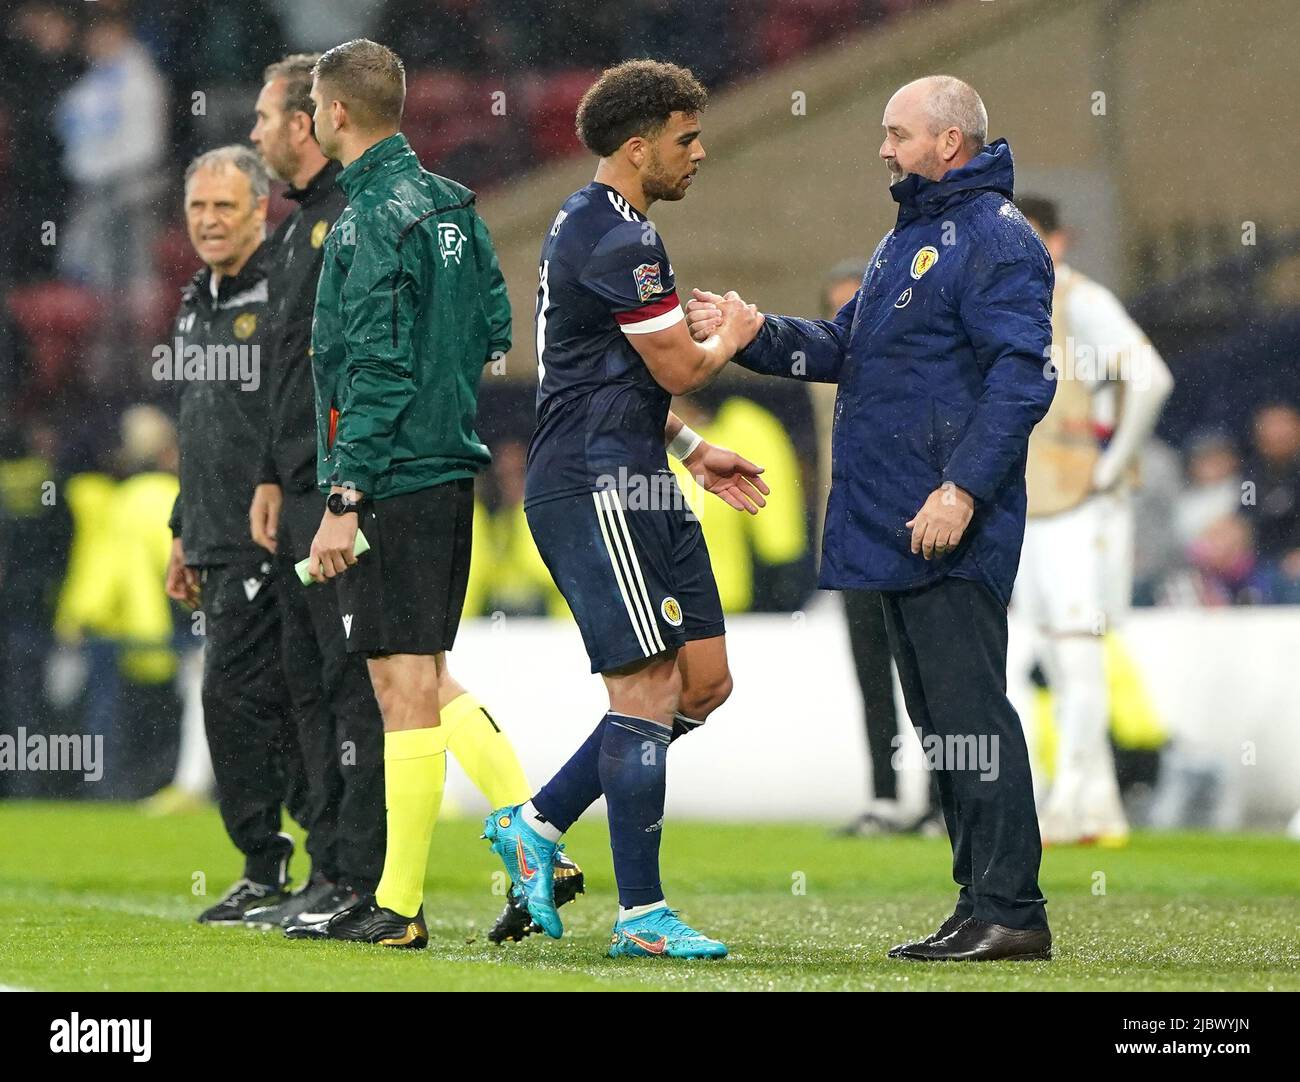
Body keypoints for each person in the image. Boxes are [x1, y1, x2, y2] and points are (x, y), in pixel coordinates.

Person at [689, 76, 1056, 962]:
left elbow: (1023, 378)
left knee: (971, 716)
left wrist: (962, 488)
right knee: (941, 722)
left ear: (948, 143)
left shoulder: (998, 242)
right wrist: (756, 332)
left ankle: (1012, 909)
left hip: (947, 519)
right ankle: (981, 906)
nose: (884, 151)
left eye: (897, 135)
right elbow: (847, 348)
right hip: (897, 520)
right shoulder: (914, 237)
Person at [246, 51, 575, 943]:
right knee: (424, 672)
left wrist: (343, 496)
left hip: (389, 476)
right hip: (446, 464)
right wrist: (440, 398)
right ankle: (531, 832)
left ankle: (397, 907)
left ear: (339, 113)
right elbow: (494, 329)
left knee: (398, 685)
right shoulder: (456, 208)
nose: (309, 121)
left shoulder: (363, 224)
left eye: (313, 107)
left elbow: (378, 369)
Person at [481, 59, 767, 961]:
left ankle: (537, 821)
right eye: (687, 139)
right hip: (595, 485)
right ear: (638, 145)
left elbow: (620, 378)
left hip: (644, 472)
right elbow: (681, 365)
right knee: (643, 691)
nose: (700, 152)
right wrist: (736, 335)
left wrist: (692, 448)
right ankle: (642, 916)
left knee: (704, 683)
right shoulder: (617, 239)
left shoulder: (612, 226)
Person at [162, 146, 307, 923]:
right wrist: (182, 530)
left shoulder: (283, 287)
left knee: (273, 699)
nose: (210, 222)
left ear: (260, 208)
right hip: (216, 534)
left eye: (225, 207)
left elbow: (285, 414)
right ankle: (270, 864)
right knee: (239, 702)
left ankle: (309, 863)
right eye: (198, 210)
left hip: (278, 531)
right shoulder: (198, 297)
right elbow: (202, 422)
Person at [1012, 195, 1175, 846]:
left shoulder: (1081, 299)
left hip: (1080, 500)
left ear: (1058, 241)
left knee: (1077, 652)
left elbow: (1152, 378)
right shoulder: (1010, 308)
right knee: (1056, 650)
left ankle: (1069, 797)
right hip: (1032, 496)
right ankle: (1100, 803)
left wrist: (1114, 464)